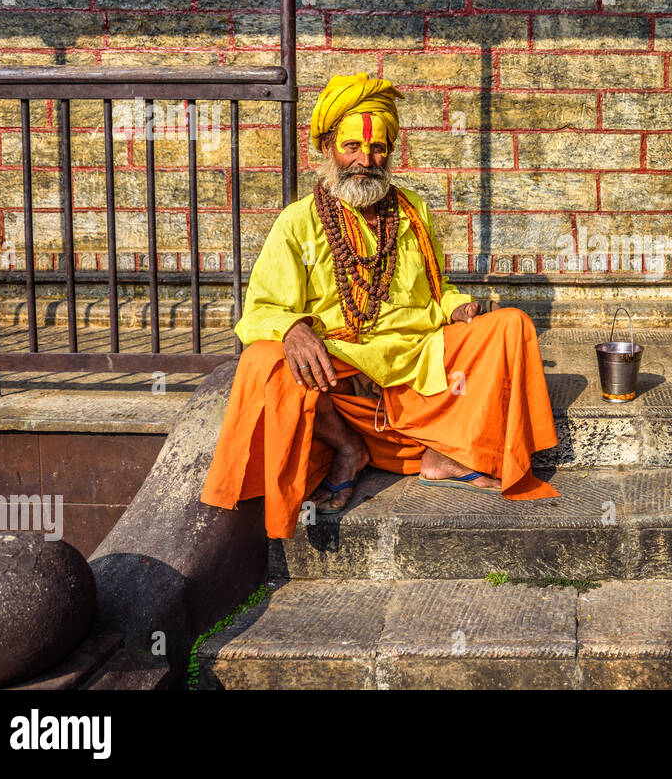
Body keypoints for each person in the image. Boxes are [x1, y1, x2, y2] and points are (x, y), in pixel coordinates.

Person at [200, 72, 559, 539]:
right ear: (328, 146)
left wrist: (455, 308)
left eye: (377, 149)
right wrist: (292, 328)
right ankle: (348, 446)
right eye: (352, 147)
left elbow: (435, 287)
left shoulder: (412, 209)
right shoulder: (298, 221)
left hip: (416, 356)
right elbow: (262, 309)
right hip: (341, 366)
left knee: (510, 325)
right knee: (265, 360)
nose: (365, 160)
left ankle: (445, 455)